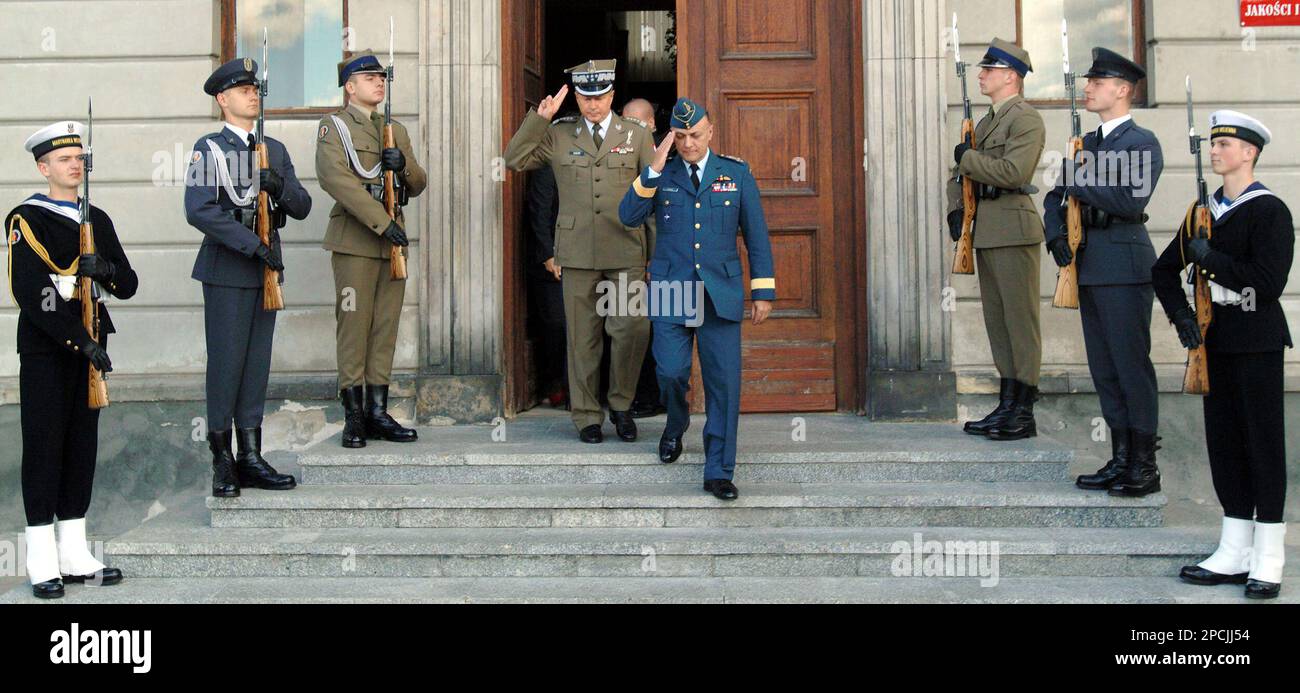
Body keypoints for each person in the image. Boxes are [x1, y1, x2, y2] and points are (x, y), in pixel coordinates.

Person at [1153, 110, 1292, 599]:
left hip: (1256, 338)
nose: (1214, 152)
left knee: (1262, 444)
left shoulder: (1270, 210)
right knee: (1225, 445)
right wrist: (1182, 319)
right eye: (1212, 145)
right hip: (1214, 342)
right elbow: (1162, 271)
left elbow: (1268, 282)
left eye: (1225, 146)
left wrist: (1210, 259)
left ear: (1249, 153)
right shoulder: (1201, 211)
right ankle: (1233, 550)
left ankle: (1269, 555)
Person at [619, 97, 776, 501]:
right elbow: (628, 216)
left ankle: (718, 470)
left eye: (695, 135)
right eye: (681, 135)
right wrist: (652, 168)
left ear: (711, 132)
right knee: (670, 373)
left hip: (719, 293)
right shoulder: (661, 173)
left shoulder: (735, 174)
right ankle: (675, 424)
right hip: (672, 290)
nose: (688, 143)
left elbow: (756, 236)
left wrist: (763, 291)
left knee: (723, 386)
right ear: (671, 135)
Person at [8, 121, 138, 598]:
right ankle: (42, 559)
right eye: (64, 159)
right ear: (44, 167)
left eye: (80, 157)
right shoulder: (27, 219)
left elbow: (127, 283)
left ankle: (74, 552)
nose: (75, 165)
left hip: (91, 347)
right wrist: (80, 341)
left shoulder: (95, 217)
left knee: (81, 449)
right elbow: (32, 291)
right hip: (49, 348)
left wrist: (104, 269)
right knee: (44, 449)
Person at [505, 60, 656, 444]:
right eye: (587, 97)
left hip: (626, 248)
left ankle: (621, 405)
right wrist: (539, 119)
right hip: (576, 251)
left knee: (630, 328)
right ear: (576, 96)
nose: (594, 104)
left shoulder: (636, 135)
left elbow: (651, 194)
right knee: (583, 336)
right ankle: (587, 414)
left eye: (601, 96)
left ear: (612, 94)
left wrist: (653, 254)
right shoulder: (559, 134)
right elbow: (514, 159)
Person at [185, 58, 312, 497]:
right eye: (242, 90)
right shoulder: (210, 148)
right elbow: (199, 209)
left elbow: (302, 205)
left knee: (256, 365)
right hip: (229, 267)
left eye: (255, 89)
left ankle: (251, 456)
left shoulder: (273, 150)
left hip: (266, 270)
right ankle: (222, 458)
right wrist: (252, 244)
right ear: (223, 99)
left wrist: (277, 185)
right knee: (226, 365)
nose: (252, 95)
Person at [1043, 48, 1164, 496]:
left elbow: (1129, 200)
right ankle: (1120, 459)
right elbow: (1054, 197)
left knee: (1131, 367)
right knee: (1105, 368)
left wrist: (1076, 177)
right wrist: (1055, 233)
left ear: (1123, 90)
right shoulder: (1088, 144)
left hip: (1124, 265)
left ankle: (1144, 465)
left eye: (1098, 82)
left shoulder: (1141, 142)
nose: (1088, 88)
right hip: (1089, 265)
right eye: (1089, 81)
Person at [316, 50, 428, 448]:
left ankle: (378, 412)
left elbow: (417, 182)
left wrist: (402, 167)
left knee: (384, 327)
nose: (378, 82)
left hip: (391, 244)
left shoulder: (395, 129)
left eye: (381, 77)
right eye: (368, 77)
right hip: (357, 242)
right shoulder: (335, 127)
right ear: (350, 86)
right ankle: (354, 415)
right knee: (354, 326)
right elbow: (337, 180)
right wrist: (383, 224)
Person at [946, 38, 1047, 441]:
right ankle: (1008, 403)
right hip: (986, 228)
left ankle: (1024, 410)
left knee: (1020, 322)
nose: (982, 75)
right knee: (998, 322)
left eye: (989, 70)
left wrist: (967, 158)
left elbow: (1012, 172)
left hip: (1012, 226)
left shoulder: (1025, 119)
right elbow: (960, 173)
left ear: (1010, 76)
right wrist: (956, 207)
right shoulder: (988, 121)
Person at [621, 97, 666, 418]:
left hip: (662, 262)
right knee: (631, 330)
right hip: (626, 258)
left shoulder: (672, 157)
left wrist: (655, 257)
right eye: (625, 120)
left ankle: (656, 397)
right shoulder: (619, 153)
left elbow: (659, 214)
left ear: (651, 124)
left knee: (661, 331)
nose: (629, 127)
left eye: (636, 122)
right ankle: (634, 397)